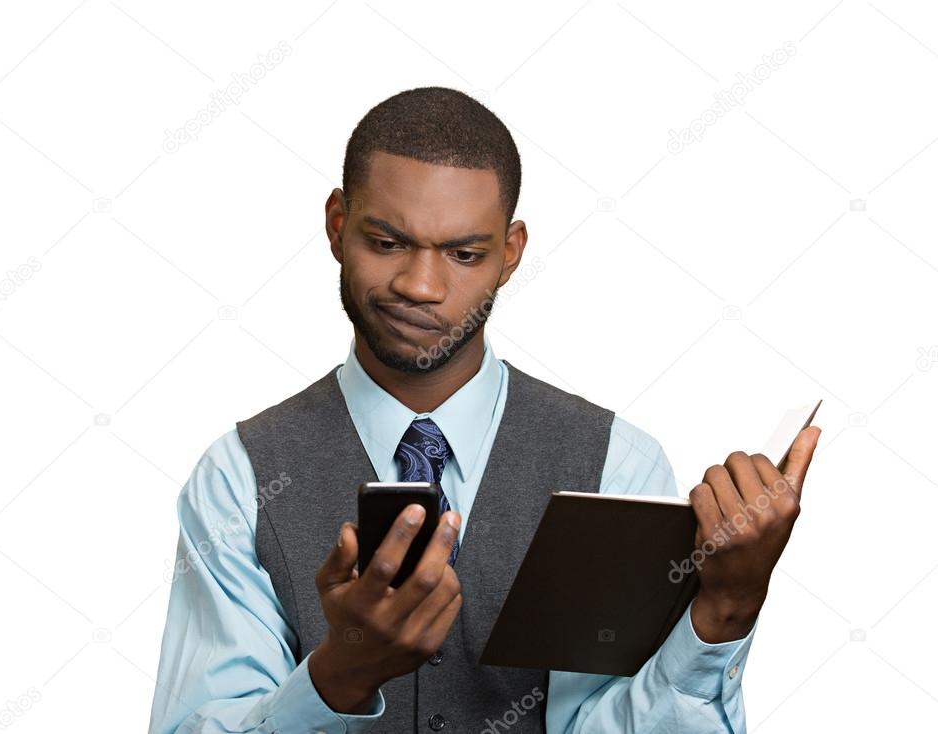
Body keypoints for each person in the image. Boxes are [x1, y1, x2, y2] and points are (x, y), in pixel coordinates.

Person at [148, 86, 821, 734]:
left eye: (463, 254)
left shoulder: (614, 463)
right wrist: (337, 678)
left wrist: (726, 609)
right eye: (386, 242)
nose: (419, 284)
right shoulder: (240, 478)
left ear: (509, 253)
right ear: (336, 224)